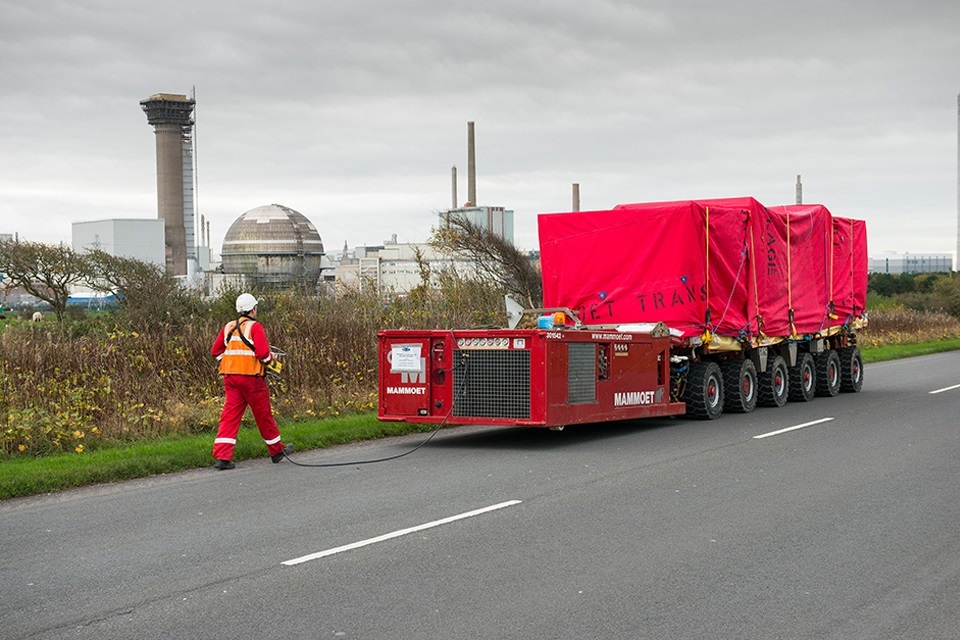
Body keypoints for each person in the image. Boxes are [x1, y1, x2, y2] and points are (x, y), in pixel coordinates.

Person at [210, 293, 292, 470]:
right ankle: (277, 451)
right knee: (263, 415)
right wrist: (273, 361)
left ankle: (222, 457)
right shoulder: (255, 327)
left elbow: (215, 352)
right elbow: (262, 354)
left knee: (229, 417)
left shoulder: (228, 327)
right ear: (253, 309)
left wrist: (232, 362)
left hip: (231, 378)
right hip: (252, 379)